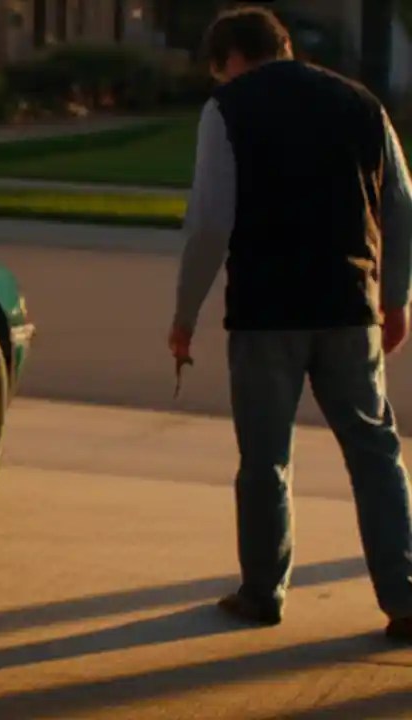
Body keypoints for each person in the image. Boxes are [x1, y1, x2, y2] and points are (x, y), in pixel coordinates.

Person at [169, 5, 412, 640]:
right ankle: (405, 597)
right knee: (376, 454)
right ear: (284, 45)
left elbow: (210, 225)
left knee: (265, 460)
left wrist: (184, 316)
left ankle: (262, 592)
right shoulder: (362, 104)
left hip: (265, 314)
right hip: (348, 306)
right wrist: (395, 298)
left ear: (229, 61)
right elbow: (401, 204)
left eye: (218, 73)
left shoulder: (227, 110)